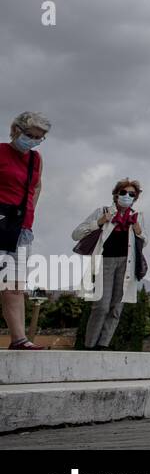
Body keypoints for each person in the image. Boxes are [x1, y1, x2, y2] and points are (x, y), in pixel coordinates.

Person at [74, 178, 147, 350]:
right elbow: (76, 234)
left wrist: (139, 232)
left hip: (126, 264)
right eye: (123, 192)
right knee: (101, 306)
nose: (127, 196)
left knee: (116, 307)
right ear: (116, 194)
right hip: (104, 262)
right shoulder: (102, 211)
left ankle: (103, 345)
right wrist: (99, 222)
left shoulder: (137, 217)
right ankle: (89, 345)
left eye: (131, 194)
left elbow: (144, 241)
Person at [1, 112, 50, 350]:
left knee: (15, 285)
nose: (32, 140)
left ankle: (19, 339)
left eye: (38, 138)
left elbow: (37, 185)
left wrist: (30, 209)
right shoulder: (1, 152)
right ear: (15, 130)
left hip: (21, 228)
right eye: (29, 135)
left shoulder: (35, 159)